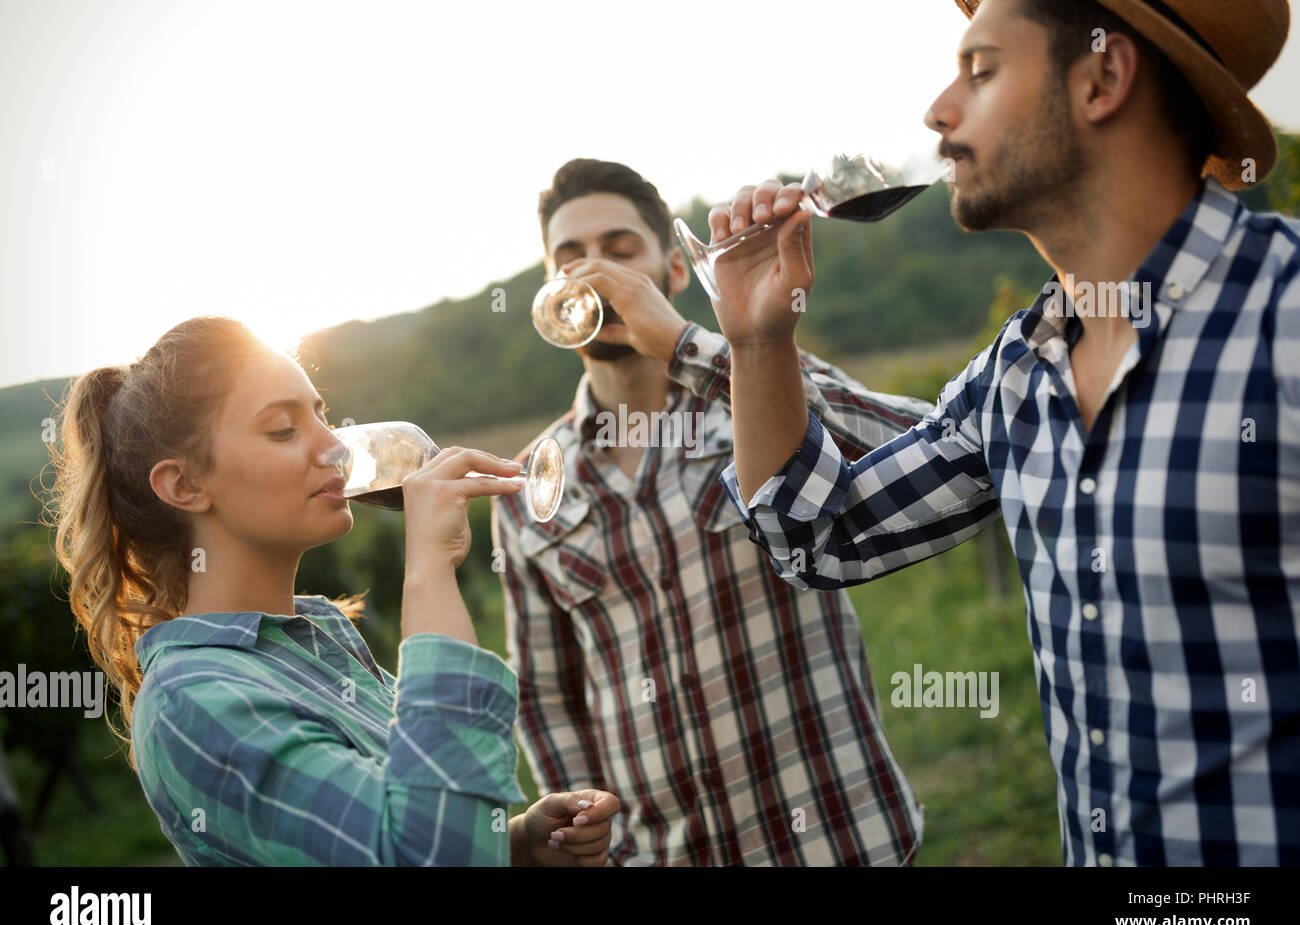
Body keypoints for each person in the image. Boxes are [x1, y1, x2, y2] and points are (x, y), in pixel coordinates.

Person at [706, 0, 1299, 866]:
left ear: (1101, 77)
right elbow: (818, 536)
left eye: (980, 71)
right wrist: (759, 343)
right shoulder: (1015, 378)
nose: (940, 111)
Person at [492, 159, 938, 865]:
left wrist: (699, 344)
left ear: (674, 270)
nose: (593, 272)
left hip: (840, 836)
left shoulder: (752, 392)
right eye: (569, 257)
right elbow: (549, 696)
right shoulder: (529, 487)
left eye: (619, 248)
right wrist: (592, 841)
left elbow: (914, 449)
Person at [48, 315, 619, 865]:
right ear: (185, 484)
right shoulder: (192, 701)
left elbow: (415, 806)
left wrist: (515, 845)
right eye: (283, 429)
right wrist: (429, 568)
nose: (337, 449)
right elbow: (431, 858)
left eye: (324, 417)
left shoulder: (318, 635)